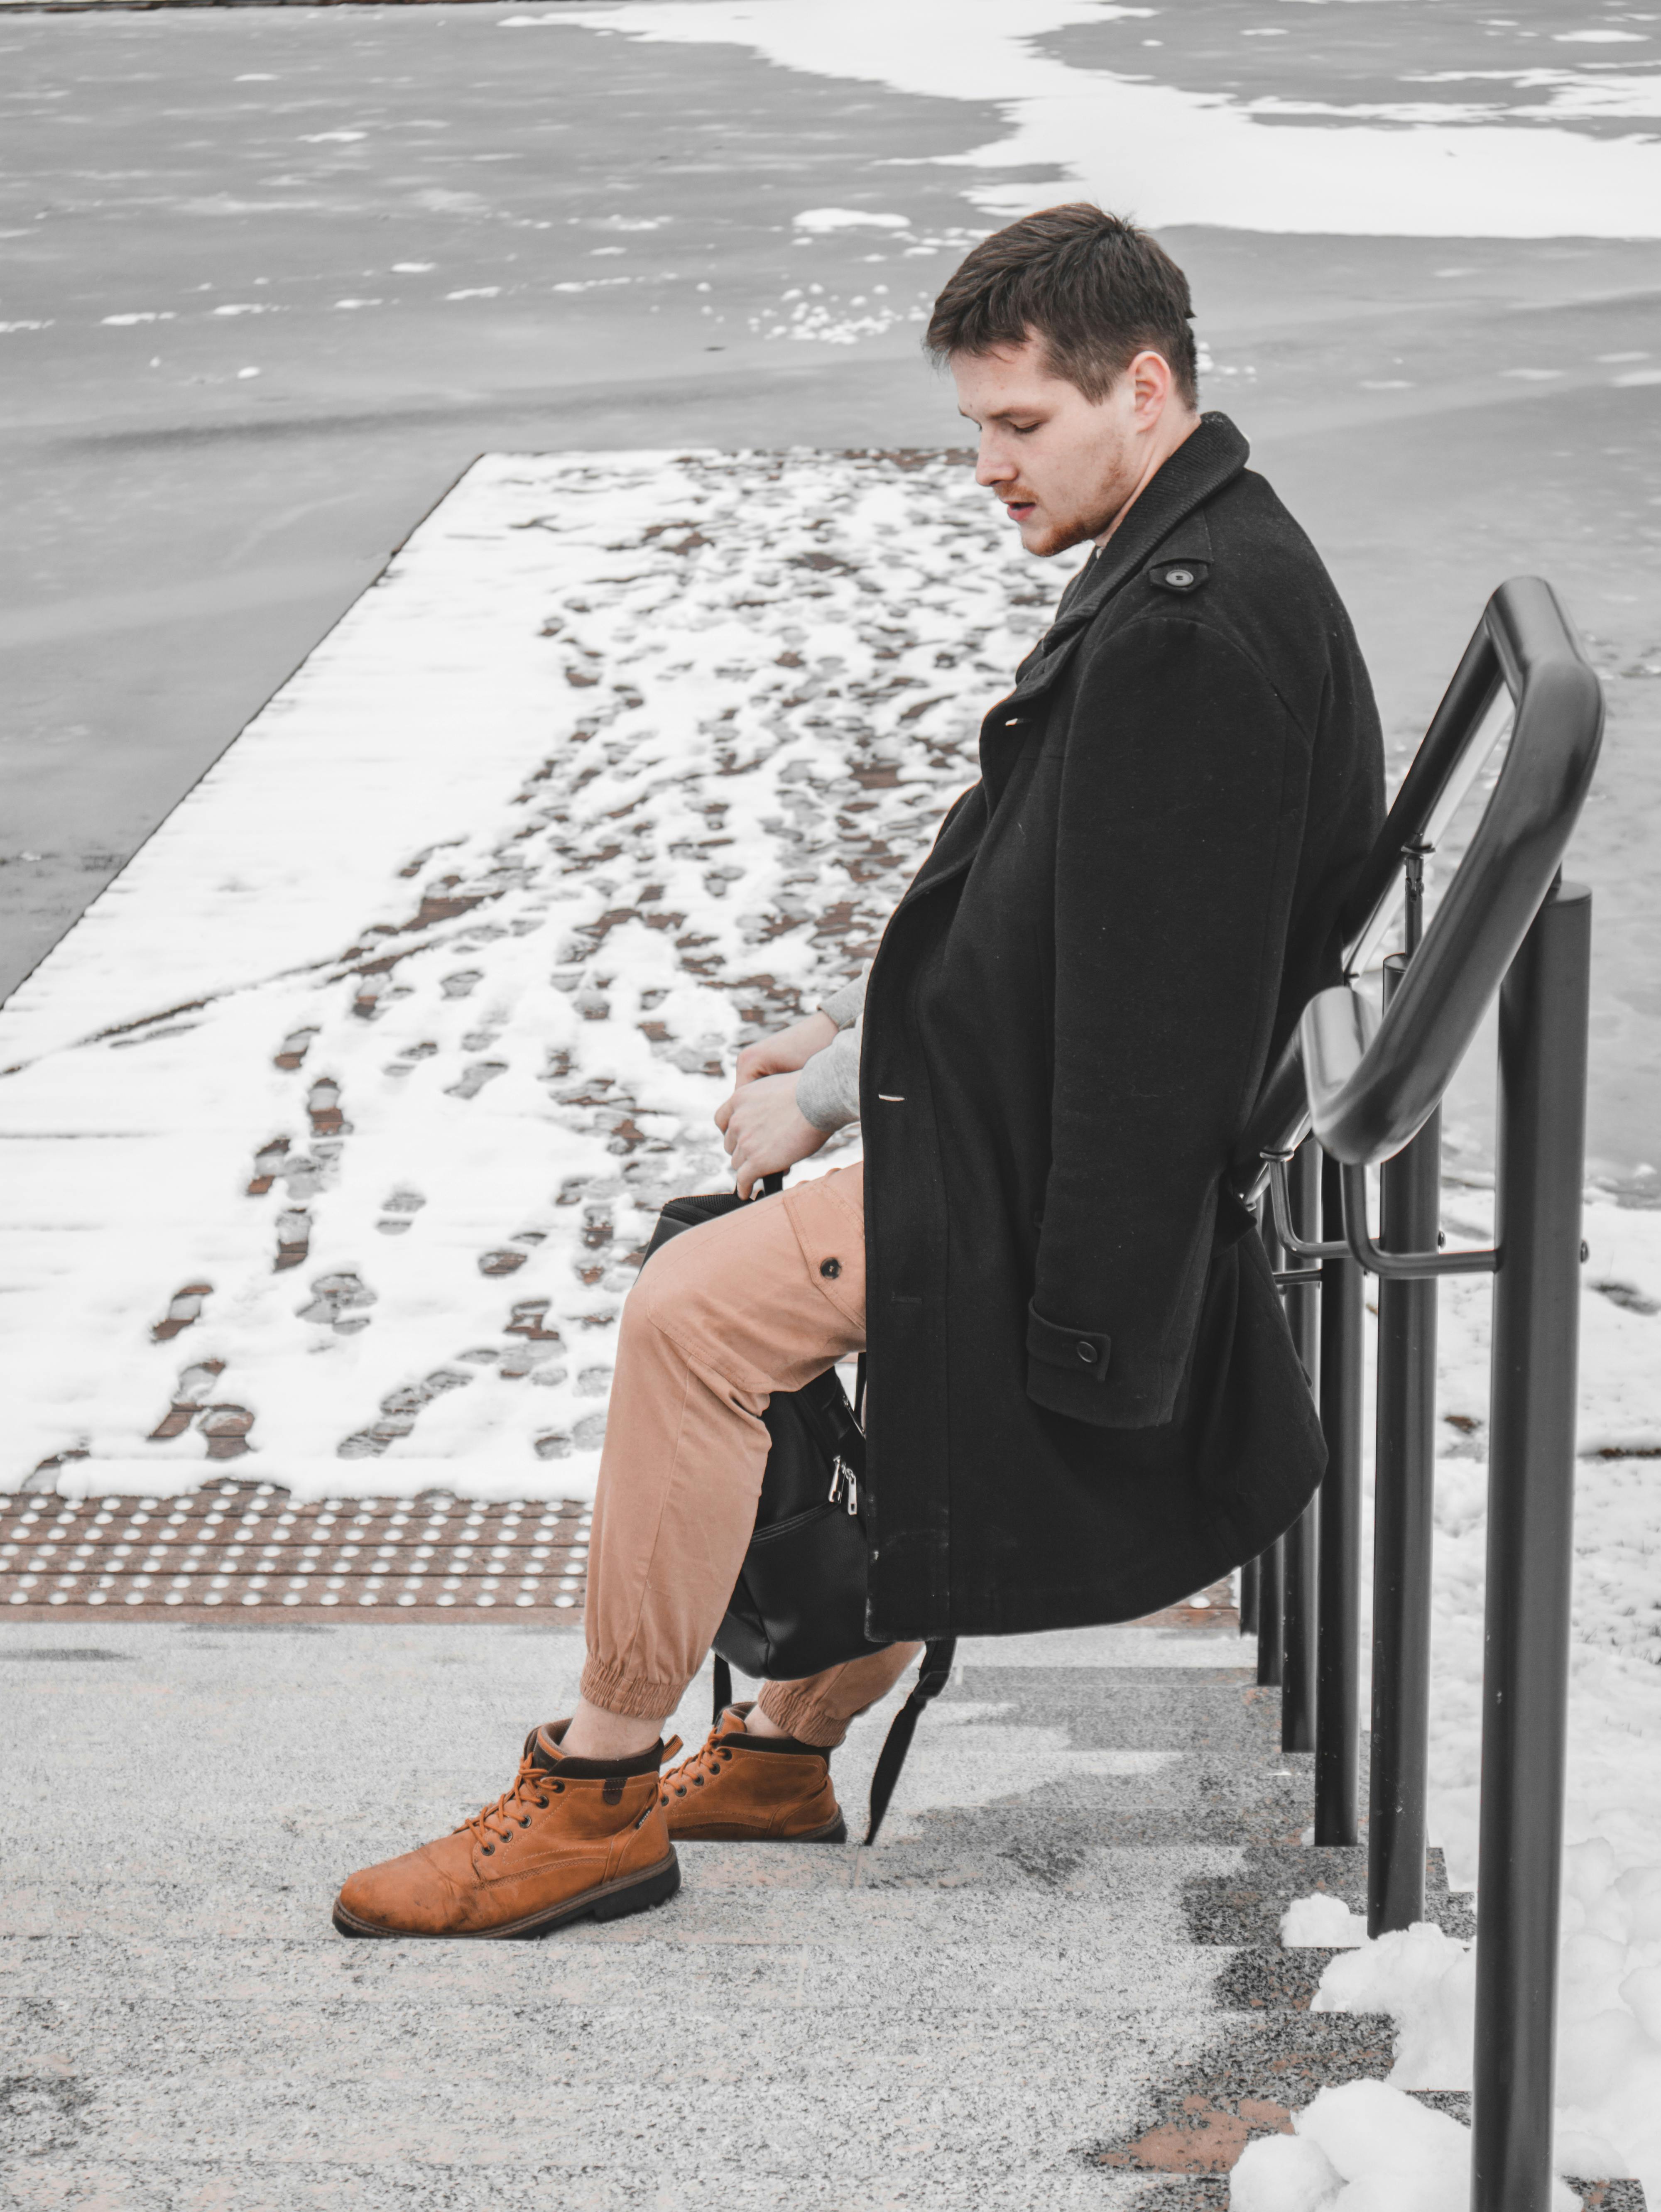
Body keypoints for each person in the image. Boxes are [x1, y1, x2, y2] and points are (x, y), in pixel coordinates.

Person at [333, 205, 1384, 1941]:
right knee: (740, 1290)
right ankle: (778, 1748)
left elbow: (1114, 1022)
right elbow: (1046, 912)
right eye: (973, 425)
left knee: (691, 1312)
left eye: (1019, 424)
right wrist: (844, 1028)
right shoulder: (1196, 560)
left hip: (1047, 1187)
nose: (985, 466)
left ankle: (594, 1797)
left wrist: (830, 1114)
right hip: (1021, 1129)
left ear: (1142, 386)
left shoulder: (1188, 630)